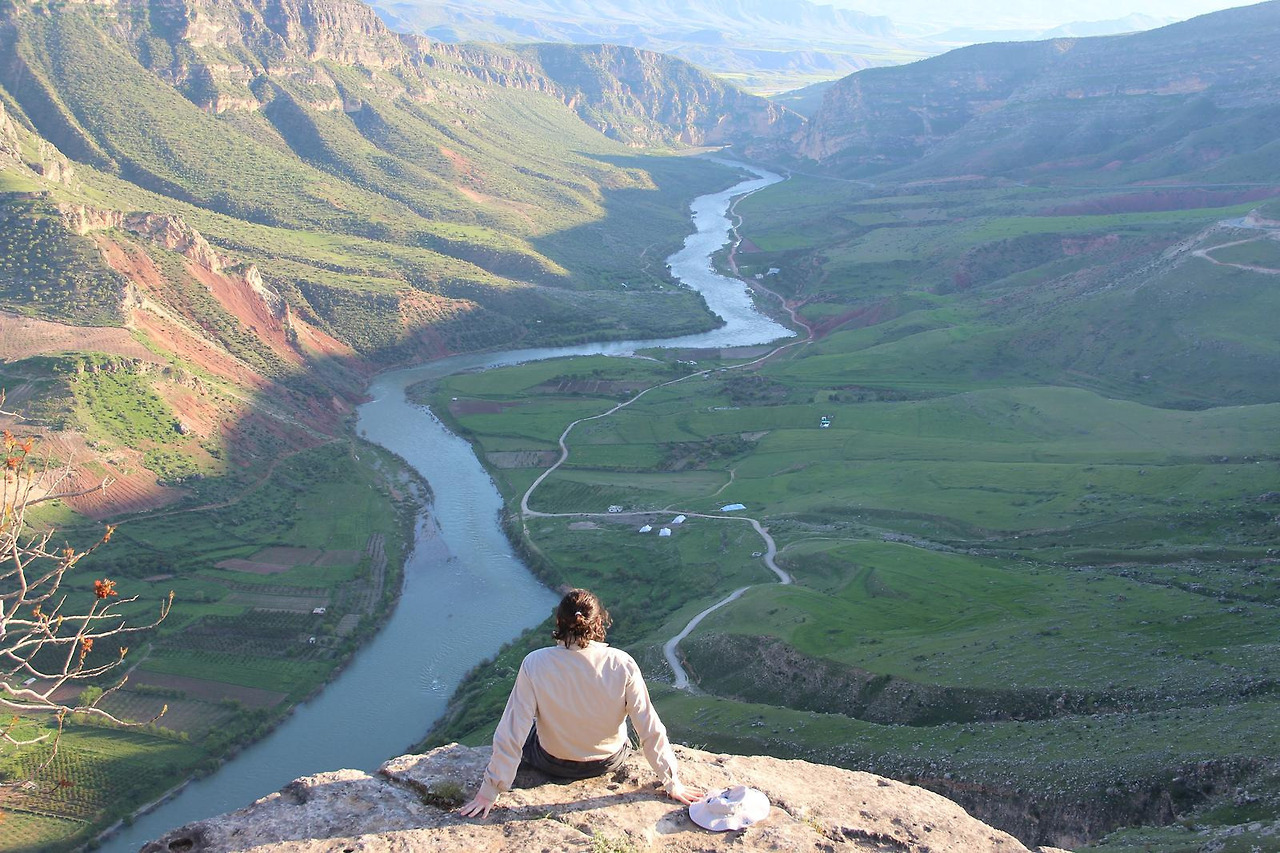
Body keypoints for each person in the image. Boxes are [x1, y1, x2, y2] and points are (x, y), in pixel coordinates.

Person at [459, 588, 698, 817]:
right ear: (597, 623)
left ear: (559, 623)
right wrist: (672, 782)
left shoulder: (535, 663)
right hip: (608, 761)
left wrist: (489, 791)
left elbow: (513, 730)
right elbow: (649, 726)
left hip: (552, 762)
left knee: (532, 728)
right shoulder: (622, 663)